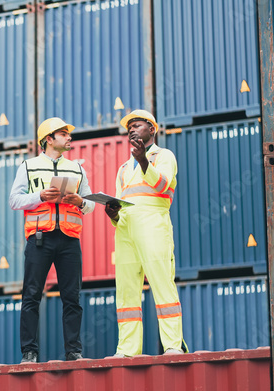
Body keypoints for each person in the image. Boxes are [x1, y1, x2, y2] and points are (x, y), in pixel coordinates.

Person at [8, 117, 94, 363]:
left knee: (72, 297)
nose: (69, 138)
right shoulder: (28, 166)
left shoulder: (77, 168)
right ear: (49, 139)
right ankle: (29, 352)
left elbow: (90, 206)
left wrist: (80, 202)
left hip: (69, 240)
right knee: (31, 295)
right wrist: (40, 196)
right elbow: (14, 201)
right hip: (40, 239)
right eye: (64, 134)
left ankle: (73, 352)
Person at [104, 110, 188, 357]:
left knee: (162, 284)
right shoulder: (122, 168)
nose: (131, 129)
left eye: (137, 125)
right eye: (129, 126)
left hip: (153, 225)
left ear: (152, 129)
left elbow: (162, 185)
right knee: (126, 291)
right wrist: (114, 215)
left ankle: (172, 345)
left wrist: (143, 161)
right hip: (125, 230)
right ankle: (127, 349)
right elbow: (123, 201)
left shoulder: (164, 156)